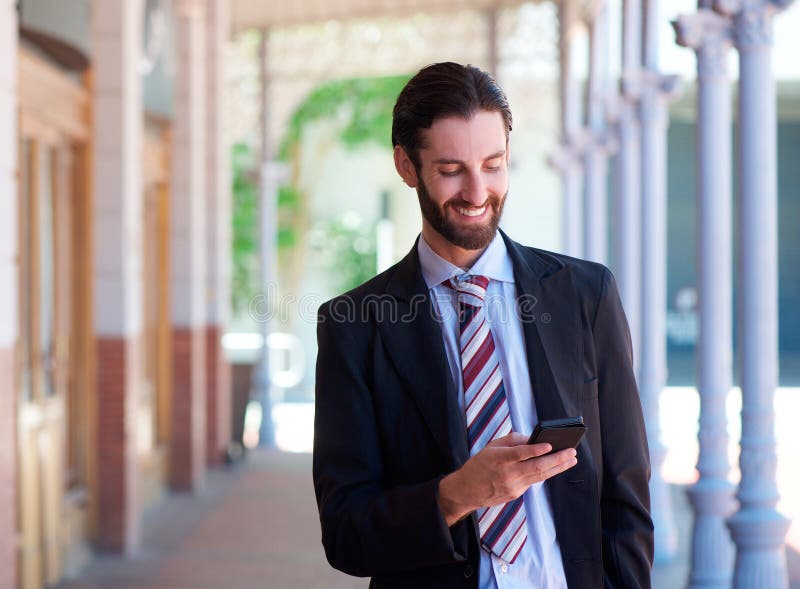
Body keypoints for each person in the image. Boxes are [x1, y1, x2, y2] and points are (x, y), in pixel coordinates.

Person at [313, 62, 653, 588]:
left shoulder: (586, 295)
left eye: (493, 165)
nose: (477, 192)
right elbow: (345, 534)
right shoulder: (354, 325)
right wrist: (457, 494)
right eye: (451, 170)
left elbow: (626, 493)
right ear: (407, 166)